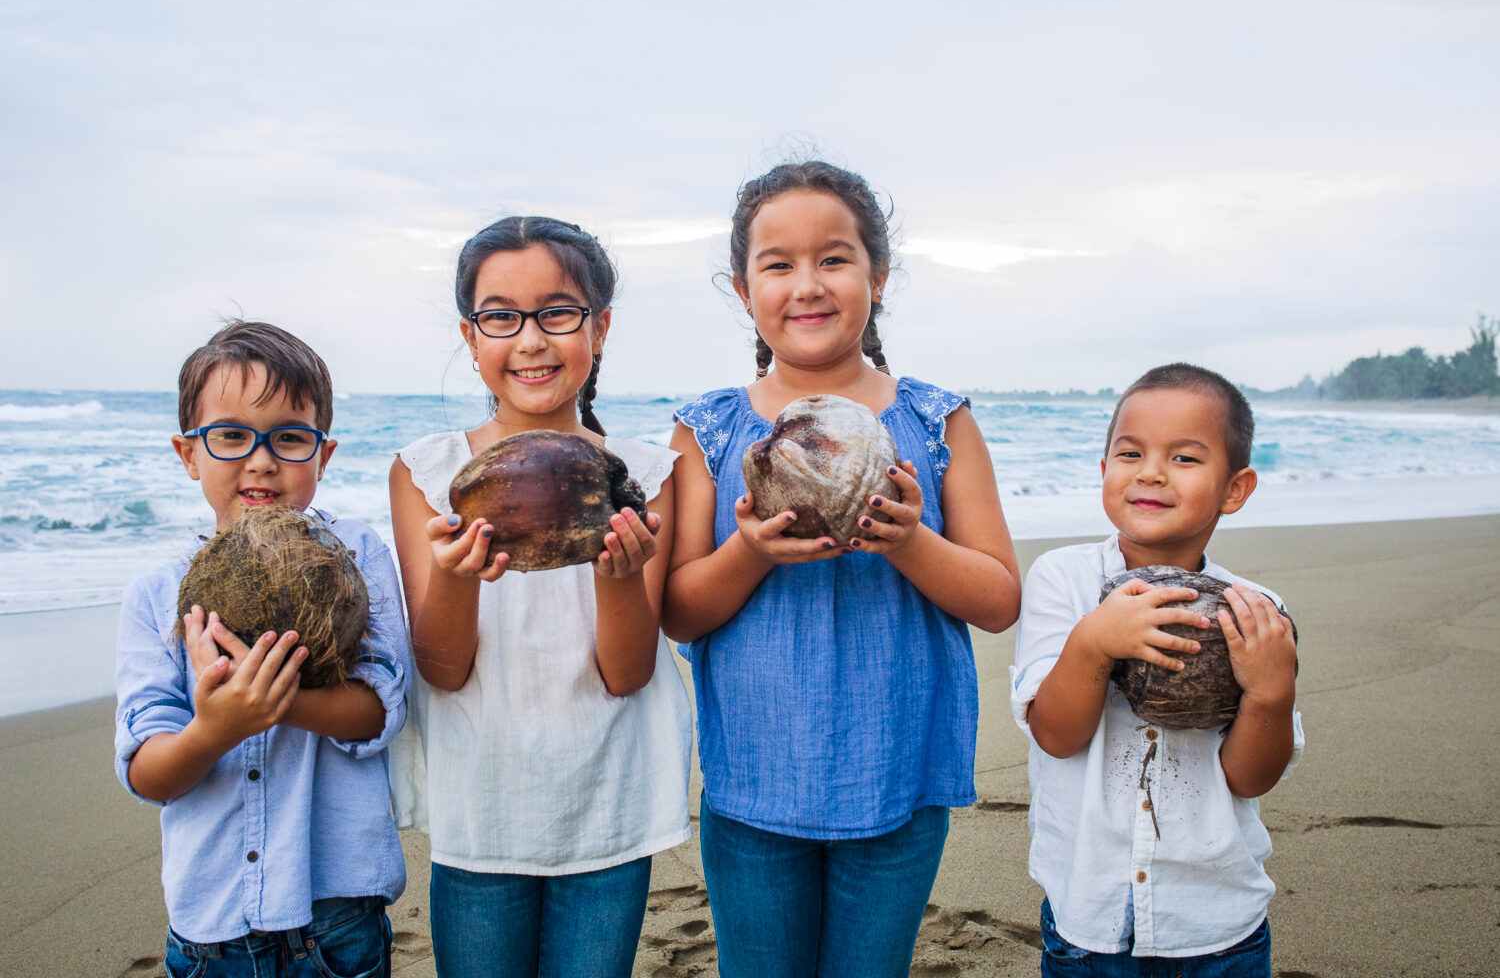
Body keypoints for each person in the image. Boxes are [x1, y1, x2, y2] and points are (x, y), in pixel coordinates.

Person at [663, 160, 1022, 978]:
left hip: (897, 779)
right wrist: (749, 551)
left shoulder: (936, 423)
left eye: (834, 258)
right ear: (742, 288)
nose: (807, 284)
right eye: (778, 264)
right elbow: (679, 612)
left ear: (879, 277)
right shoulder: (708, 431)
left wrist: (910, 541)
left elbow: (999, 598)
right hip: (754, 784)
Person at [387, 216, 692, 978]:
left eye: (558, 313)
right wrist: (457, 577)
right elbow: (443, 669)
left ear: (601, 325)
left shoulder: (648, 474)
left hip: (607, 796)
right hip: (482, 803)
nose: (530, 340)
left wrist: (618, 576)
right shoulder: (429, 474)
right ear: (471, 334)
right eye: (501, 317)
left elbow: (627, 674)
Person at [114, 320, 410, 978]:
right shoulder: (157, 597)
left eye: (289, 437)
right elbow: (146, 769)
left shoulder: (357, 554)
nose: (261, 458)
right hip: (210, 932)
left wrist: (279, 706)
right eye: (230, 436)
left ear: (323, 455)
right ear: (187, 453)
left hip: (338, 919)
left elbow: (380, 709)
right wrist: (216, 730)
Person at [1010, 362, 1304, 976]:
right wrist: (1095, 642)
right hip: (1089, 921)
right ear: (1103, 470)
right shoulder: (1064, 581)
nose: (1150, 472)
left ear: (1235, 489)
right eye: (1130, 453)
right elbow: (1056, 735)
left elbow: (1250, 778)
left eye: (1186, 459)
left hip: (1217, 924)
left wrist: (1271, 695)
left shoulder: (1253, 611)